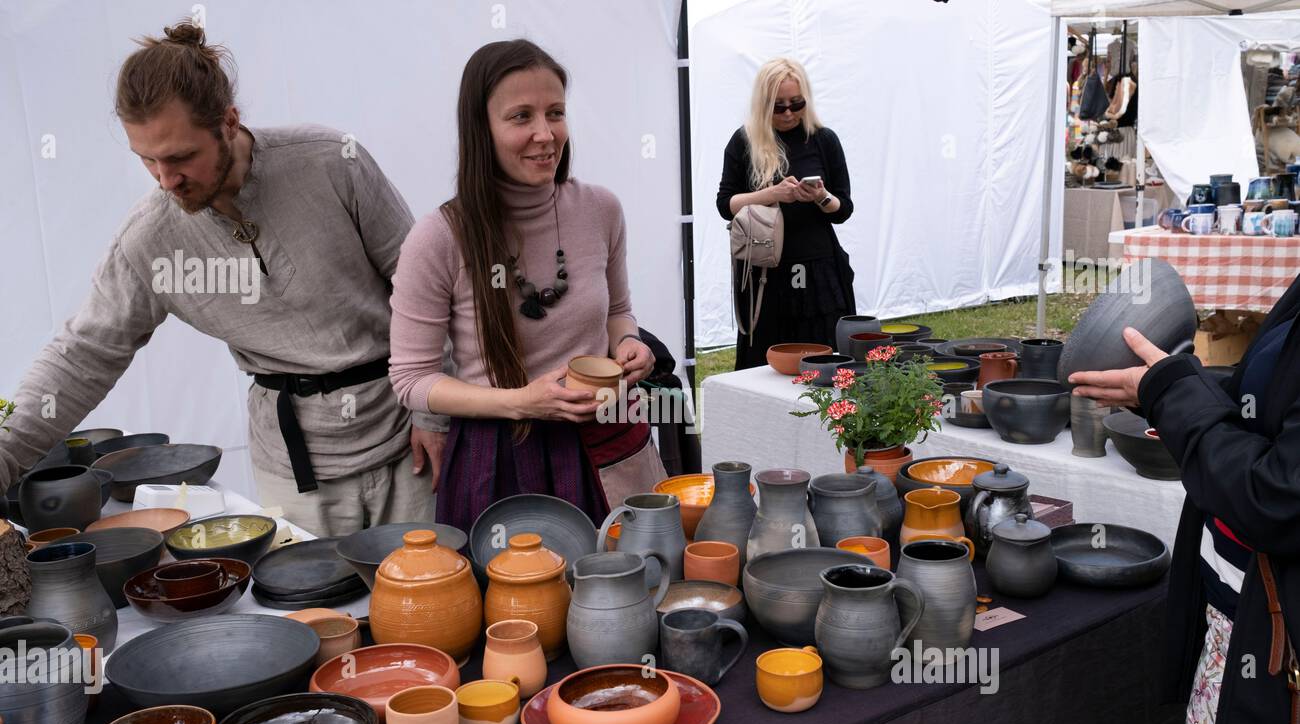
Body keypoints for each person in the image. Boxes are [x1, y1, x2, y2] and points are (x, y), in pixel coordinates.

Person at [0, 22, 445, 537]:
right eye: (147, 159)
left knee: (432, 605)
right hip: (294, 467)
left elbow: (425, 290)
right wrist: (5, 452)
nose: (166, 180)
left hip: (405, 437)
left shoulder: (330, 162)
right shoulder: (151, 239)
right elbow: (82, 354)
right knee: (315, 612)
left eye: (181, 156)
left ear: (229, 122)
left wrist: (435, 413)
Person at [389, 39, 664, 533]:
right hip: (499, 460)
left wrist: (628, 341)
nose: (545, 134)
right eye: (521, 117)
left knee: (629, 594)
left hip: (609, 438)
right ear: (482, 129)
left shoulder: (601, 209)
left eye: (555, 112)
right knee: (519, 607)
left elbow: (619, 309)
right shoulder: (438, 238)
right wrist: (520, 401)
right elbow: (411, 379)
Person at [1071, 305, 1300, 724]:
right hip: (1243, 628)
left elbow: (1279, 498)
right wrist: (1179, 384)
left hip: (1272, 648)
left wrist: (1174, 395)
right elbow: (1266, 405)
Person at [716, 58, 855, 371]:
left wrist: (821, 197)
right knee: (763, 365)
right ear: (763, 104)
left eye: (796, 104)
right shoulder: (743, 141)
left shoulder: (824, 140)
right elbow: (725, 203)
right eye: (779, 107)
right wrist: (771, 195)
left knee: (822, 365)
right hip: (764, 273)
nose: (789, 113)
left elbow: (843, 209)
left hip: (817, 269)